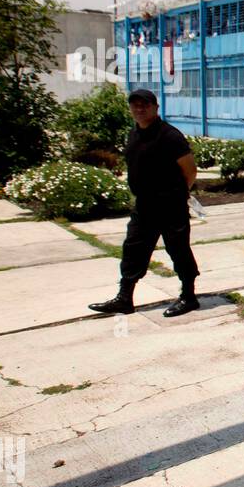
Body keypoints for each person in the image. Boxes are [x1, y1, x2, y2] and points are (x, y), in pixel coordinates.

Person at [88, 89, 201, 318]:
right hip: (144, 206)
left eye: (145, 105)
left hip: (171, 205)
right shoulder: (134, 134)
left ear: (155, 108)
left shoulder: (170, 136)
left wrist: (177, 194)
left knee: (178, 250)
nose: (140, 109)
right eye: (135, 105)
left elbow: (190, 170)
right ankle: (124, 298)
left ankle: (189, 296)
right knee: (133, 249)